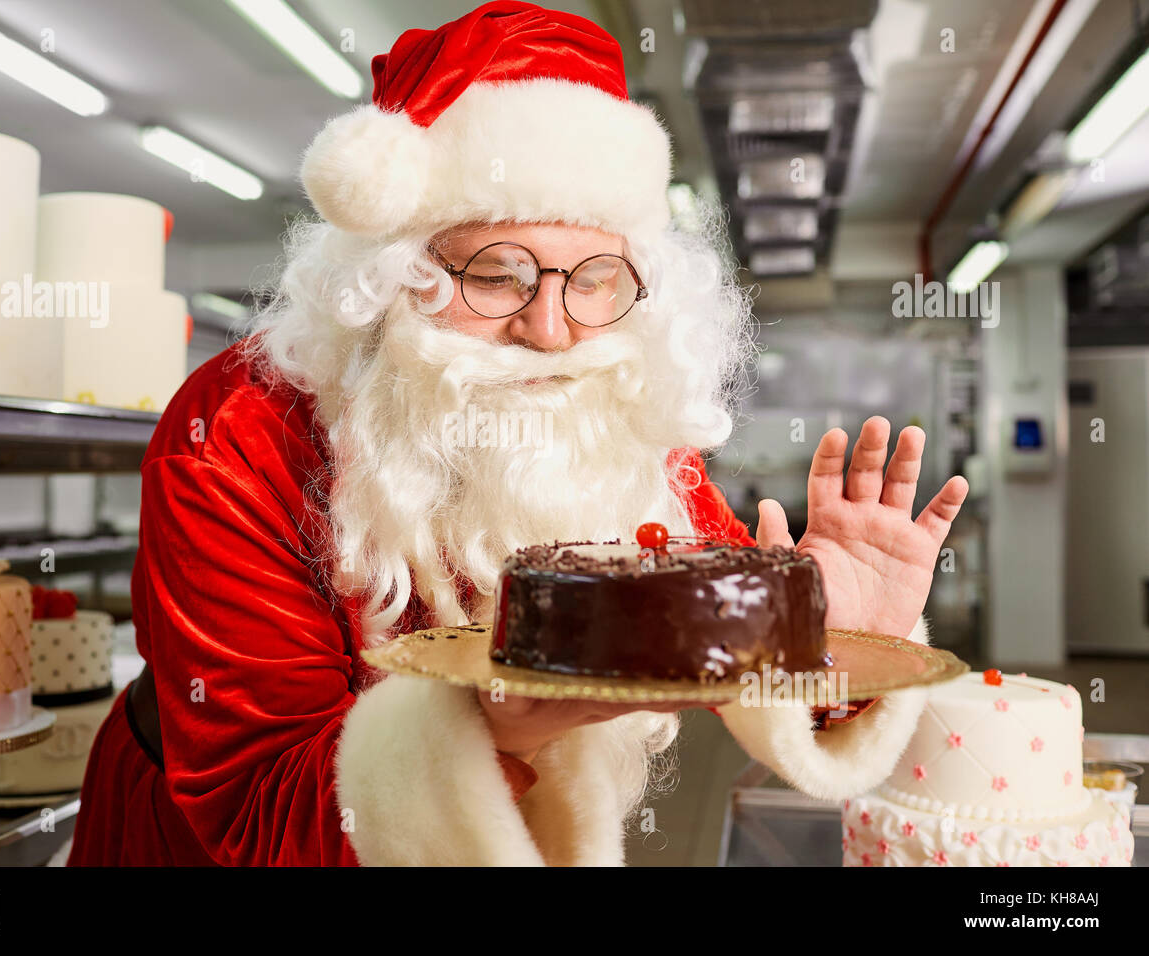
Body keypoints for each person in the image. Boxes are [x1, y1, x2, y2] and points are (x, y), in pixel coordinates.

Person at [67, 0, 967, 866]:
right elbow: (254, 804)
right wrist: (487, 723)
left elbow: (703, 646)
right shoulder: (235, 430)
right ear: (392, 272)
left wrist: (829, 636)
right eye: (496, 276)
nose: (551, 329)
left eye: (594, 277)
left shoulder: (610, 404)